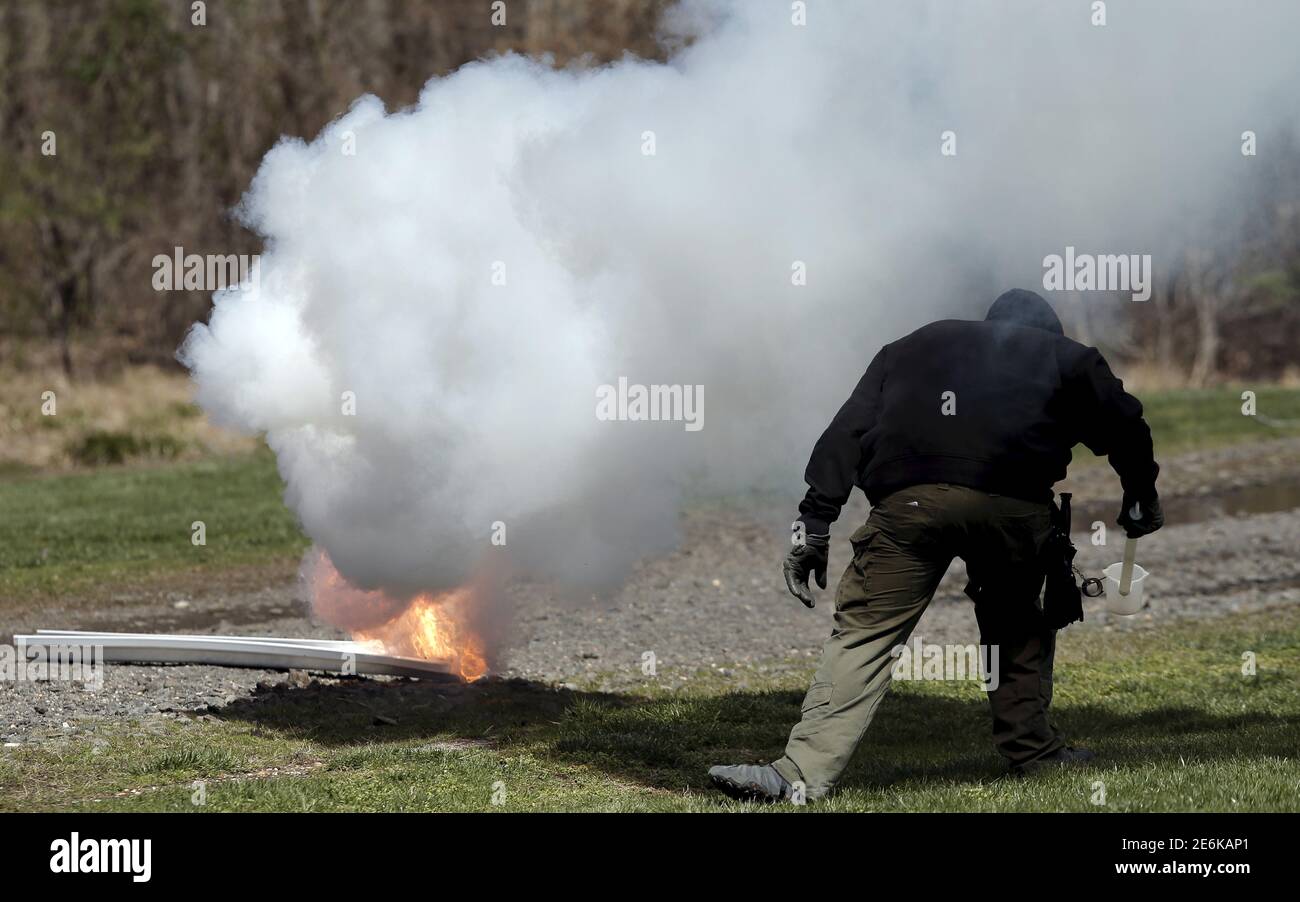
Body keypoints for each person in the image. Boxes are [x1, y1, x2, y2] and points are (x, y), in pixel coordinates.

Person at [708, 288, 1164, 802]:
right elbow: (1127, 425)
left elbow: (845, 432)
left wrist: (814, 525)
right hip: (1012, 507)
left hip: (909, 507)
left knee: (865, 635)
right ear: (1046, 332)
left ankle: (797, 775)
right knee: (1018, 626)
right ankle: (1033, 753)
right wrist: (1140, 497)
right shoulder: (1067, 357)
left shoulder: (911, 346)